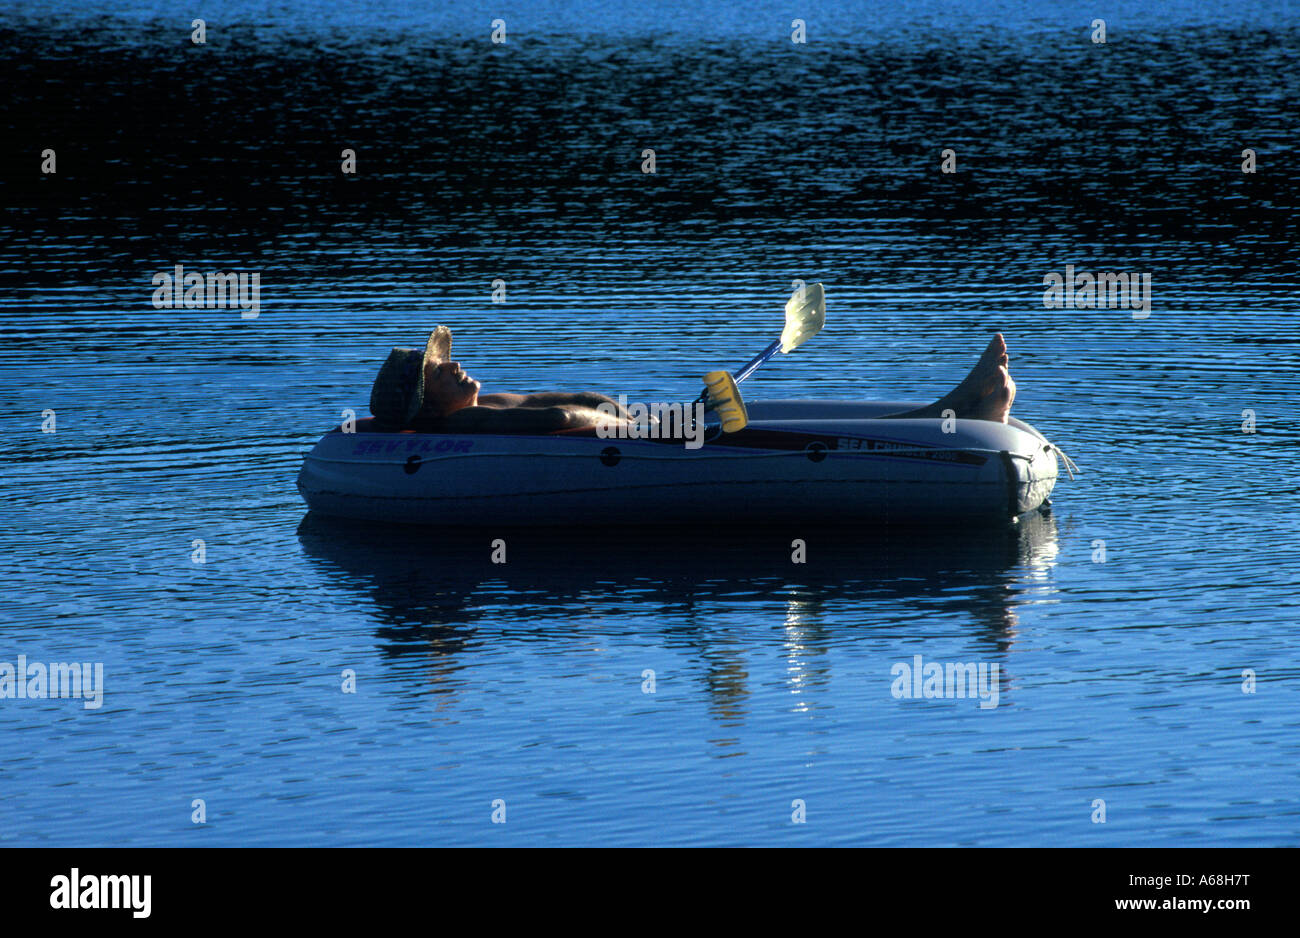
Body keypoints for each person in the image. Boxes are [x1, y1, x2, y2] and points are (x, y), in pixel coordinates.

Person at [368, 325, 1016, 434]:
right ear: (430, 400)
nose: (453, 361)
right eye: (437, 369)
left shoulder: (487, 397)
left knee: (750, 419)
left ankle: (961, 405)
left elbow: (569, 398)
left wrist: (631, 411)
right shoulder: (469, 420)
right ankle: (961, 406)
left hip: (646, 431)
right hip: (636, 445)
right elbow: (562, 421)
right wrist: (629, 423)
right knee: (793, 436)